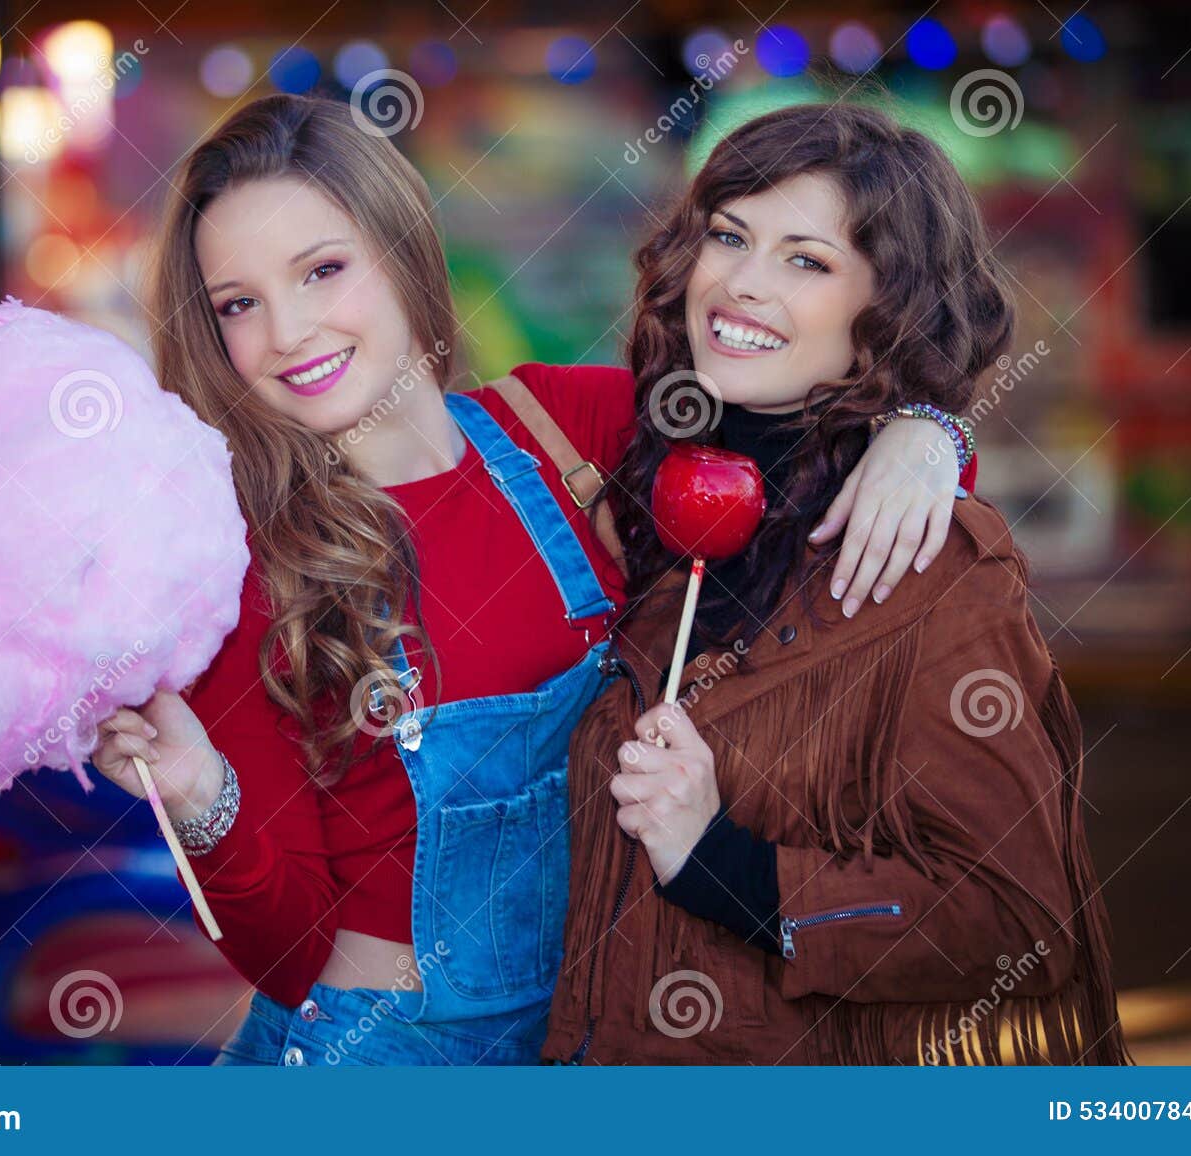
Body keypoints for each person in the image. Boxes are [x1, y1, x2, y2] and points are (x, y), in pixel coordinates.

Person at [88, 94, 975, 1065]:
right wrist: (198, 792)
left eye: (322, 270)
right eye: (238, 304)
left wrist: (926, 435)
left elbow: (803, 435)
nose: (289, 329)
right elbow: (290, 955)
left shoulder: (560, 429)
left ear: (402, 251)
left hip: (590, 1039)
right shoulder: (239, 560)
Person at [542, 102, 1131, 1065]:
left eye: (806, 260)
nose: (741, 283)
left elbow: (1013, 916)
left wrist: (722, 865)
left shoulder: (934, 565)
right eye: (730, 237)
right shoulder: (632, 478)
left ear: (885, 312)